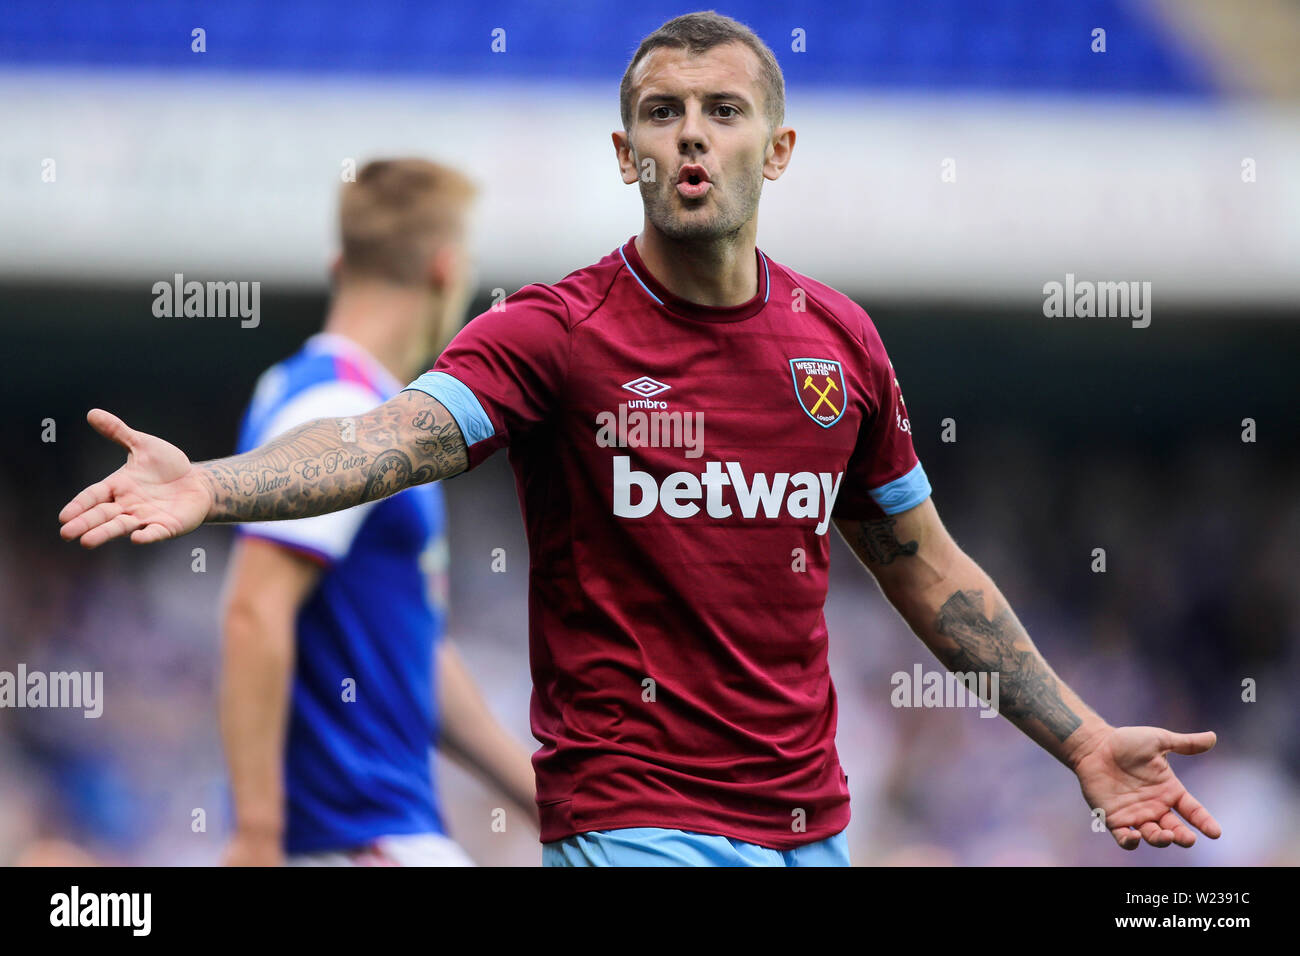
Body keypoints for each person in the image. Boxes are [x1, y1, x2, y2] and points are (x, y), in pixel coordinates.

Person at [59, 12, 1220, 867]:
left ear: (778, 148)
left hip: (810, 825)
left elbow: (923, 563)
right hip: (633, 820)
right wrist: (211, 483)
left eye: (723, 111)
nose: (690, 137)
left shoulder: (840, 344)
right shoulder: (555, 330)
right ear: (627, 156)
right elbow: (393, 435)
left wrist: (1076, 738)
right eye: (661, 115)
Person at [218, 158, 537, 866]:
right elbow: (254, 607)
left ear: (339, 264)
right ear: (446, 271)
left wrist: (549, 805)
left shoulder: (325, 396)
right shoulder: (338, 410)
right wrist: (257, 837)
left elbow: (413, 648)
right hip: (351, 837)